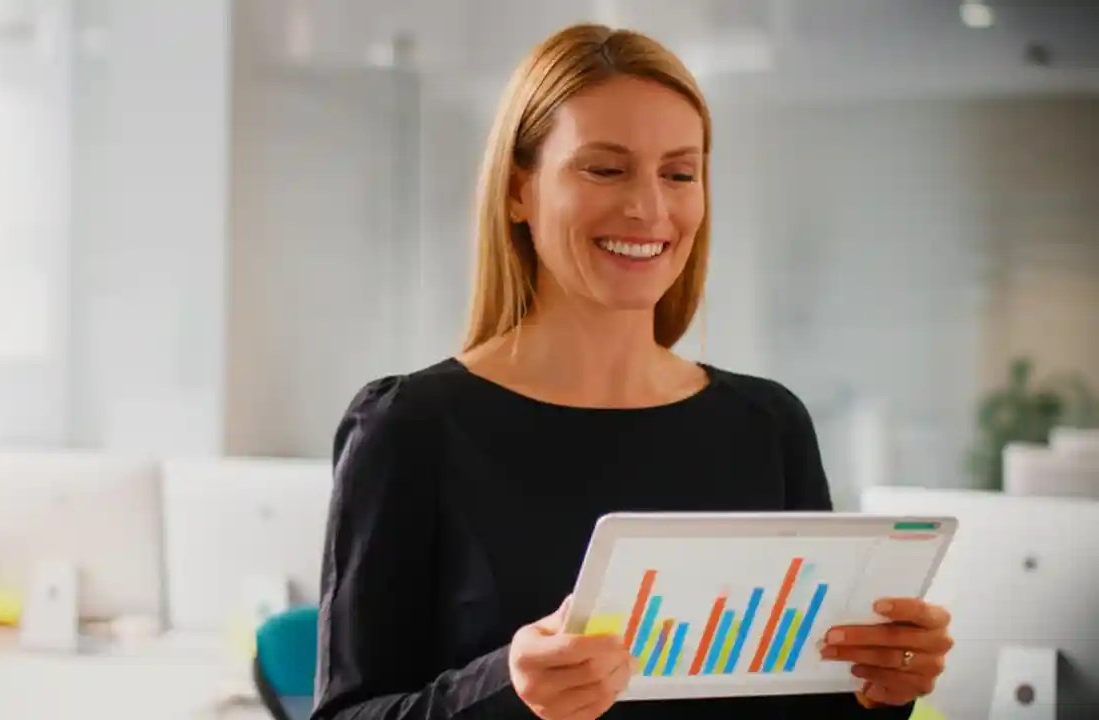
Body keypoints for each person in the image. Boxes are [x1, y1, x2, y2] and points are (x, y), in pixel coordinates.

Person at [313, 23, 954, 720]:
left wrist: (878, 688)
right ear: (518, 191)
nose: (649, 207)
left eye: (679, 173)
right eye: (604, 168)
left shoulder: (767, 426)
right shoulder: (409, 427)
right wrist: (507, 689)